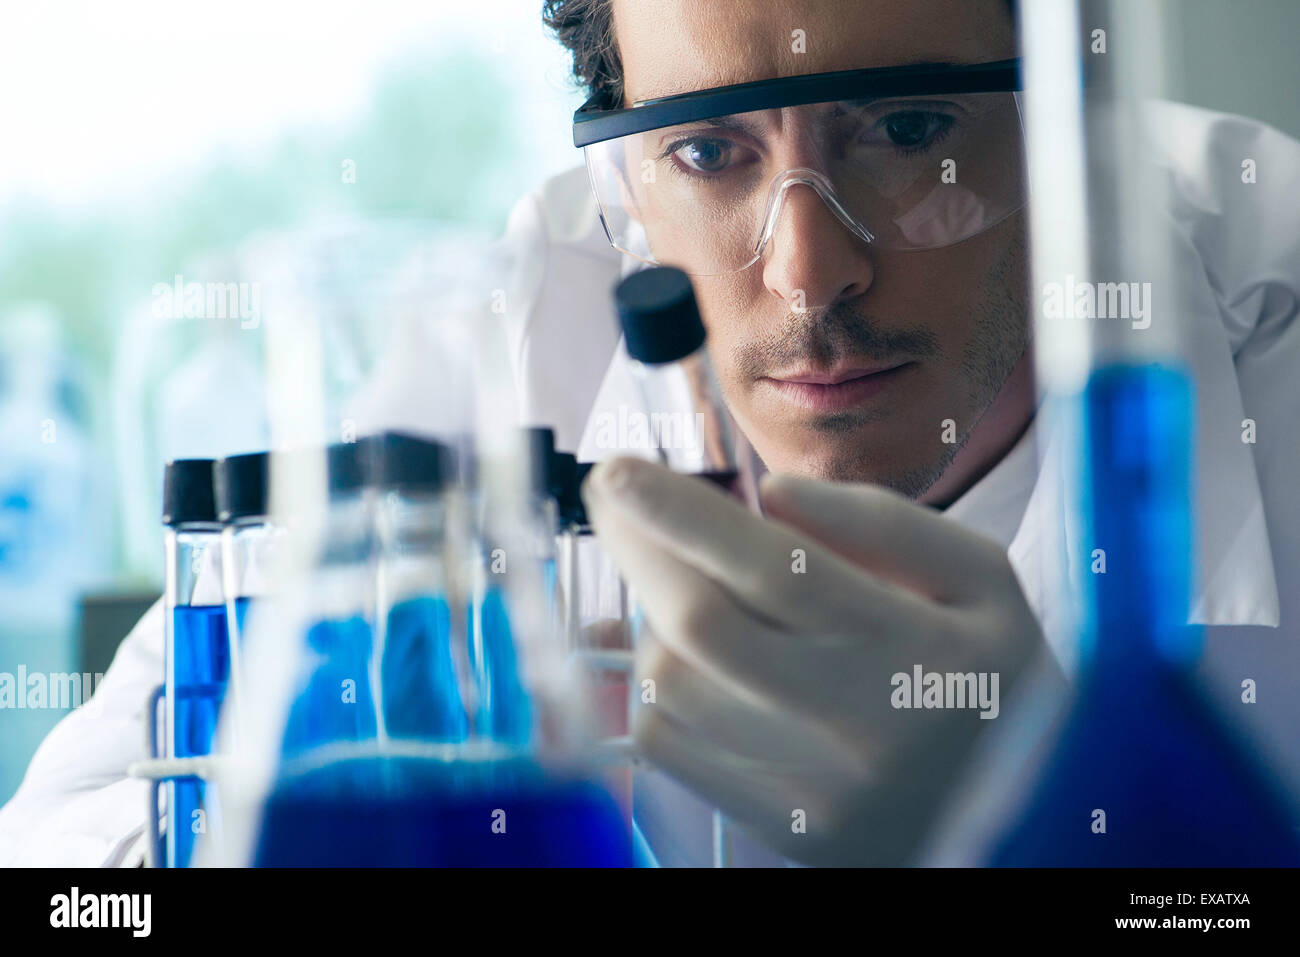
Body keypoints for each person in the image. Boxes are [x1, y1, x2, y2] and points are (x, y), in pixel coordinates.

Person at [2, 0, 1297, 866]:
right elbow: (64, 851)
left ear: (1075, 130)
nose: (809, 269)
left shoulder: (1273, 296)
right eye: (709, 153)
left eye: (911, 133)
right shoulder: (507, 337)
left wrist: (1058, 811)